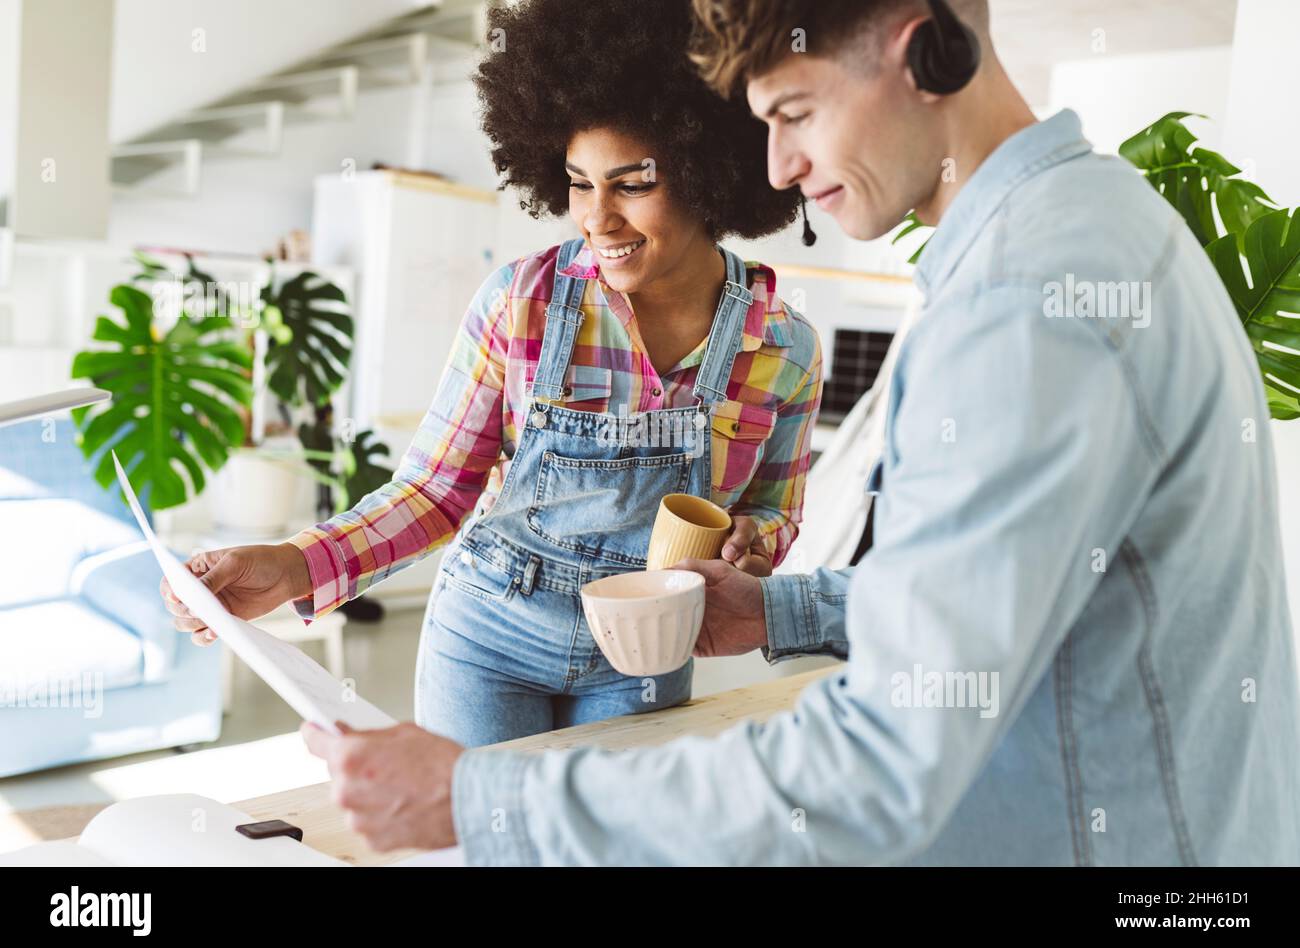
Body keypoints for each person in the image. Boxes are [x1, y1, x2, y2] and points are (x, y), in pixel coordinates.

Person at [303, 0, 1300, 865]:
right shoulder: (1087, 225)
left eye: (792, 111)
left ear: (926, 56)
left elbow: (882, 760)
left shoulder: (1023, 299)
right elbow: (992, 600)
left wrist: (474, 798)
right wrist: (780, 611)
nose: (777, 162)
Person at [161, 0, 823, 748]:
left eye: (633, 184)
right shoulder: (523, 303)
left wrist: (752, 541)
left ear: (713, 171)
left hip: (644, 657)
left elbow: (776, 508)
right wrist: (290, 565)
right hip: (489, 643)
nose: (596, 218)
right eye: (578, 182)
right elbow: (436, 491)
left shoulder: (784, 345)